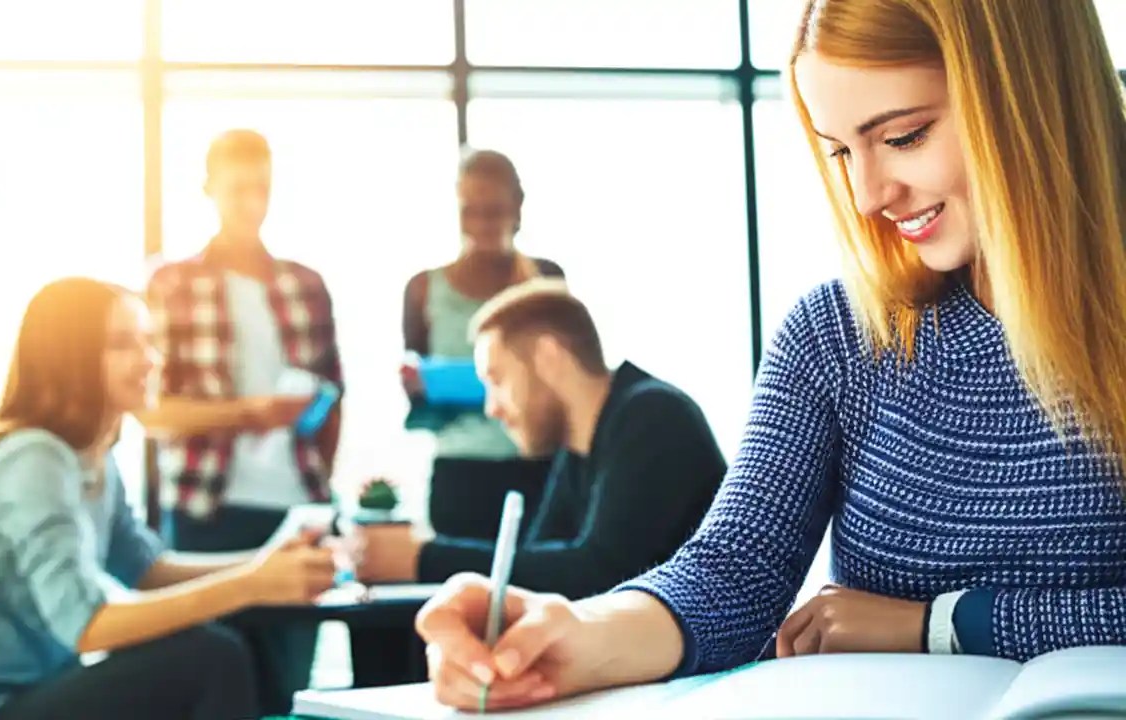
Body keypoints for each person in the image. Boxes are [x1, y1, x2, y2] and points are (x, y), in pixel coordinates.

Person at [414, 0, 1126, 711]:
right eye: (841, 151)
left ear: (1028, 94)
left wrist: (941, 623)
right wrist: (573, 634)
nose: (868, 195)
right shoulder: (838, 333)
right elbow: (732, 571)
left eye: (905, 136)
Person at [0, 278, 336, 720]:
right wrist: (251, 584)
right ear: (70, 358)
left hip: (26, 696)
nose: (151, 360)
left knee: (211, 643)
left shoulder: (93, 459)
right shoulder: (35, 459)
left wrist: (269, 563)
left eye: (147, 341)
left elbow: (147, 571)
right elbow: (87, 626)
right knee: (209, 656)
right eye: (123, 344)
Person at [356, 279, 727, 601]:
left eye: (497, 380)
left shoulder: (653, 414)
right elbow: (533, 571)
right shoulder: (578, 447)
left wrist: (423, 558)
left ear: (549, 358)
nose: (491, 408)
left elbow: (602, 576)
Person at [142, 128, 343, 712]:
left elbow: (335, 397)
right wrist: (248, 414)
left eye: (262, 187)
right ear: (209, 189)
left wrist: (319, 486)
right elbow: (153, 413)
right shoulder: (172, 283)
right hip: (207, 513)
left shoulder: (306, 286)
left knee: (288, 691)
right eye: (238, 189)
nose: (252, 202)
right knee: (214, 683)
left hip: (295, 510)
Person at [402, 149, 565, 542]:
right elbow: (419, 403)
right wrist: (416, 386)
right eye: (468, 211)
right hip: (460, 472)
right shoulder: (423, 288)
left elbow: (565, 379)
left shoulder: (546, 279)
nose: (480, 224)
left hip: (535, 468)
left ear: (517, 208)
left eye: (492, 210)